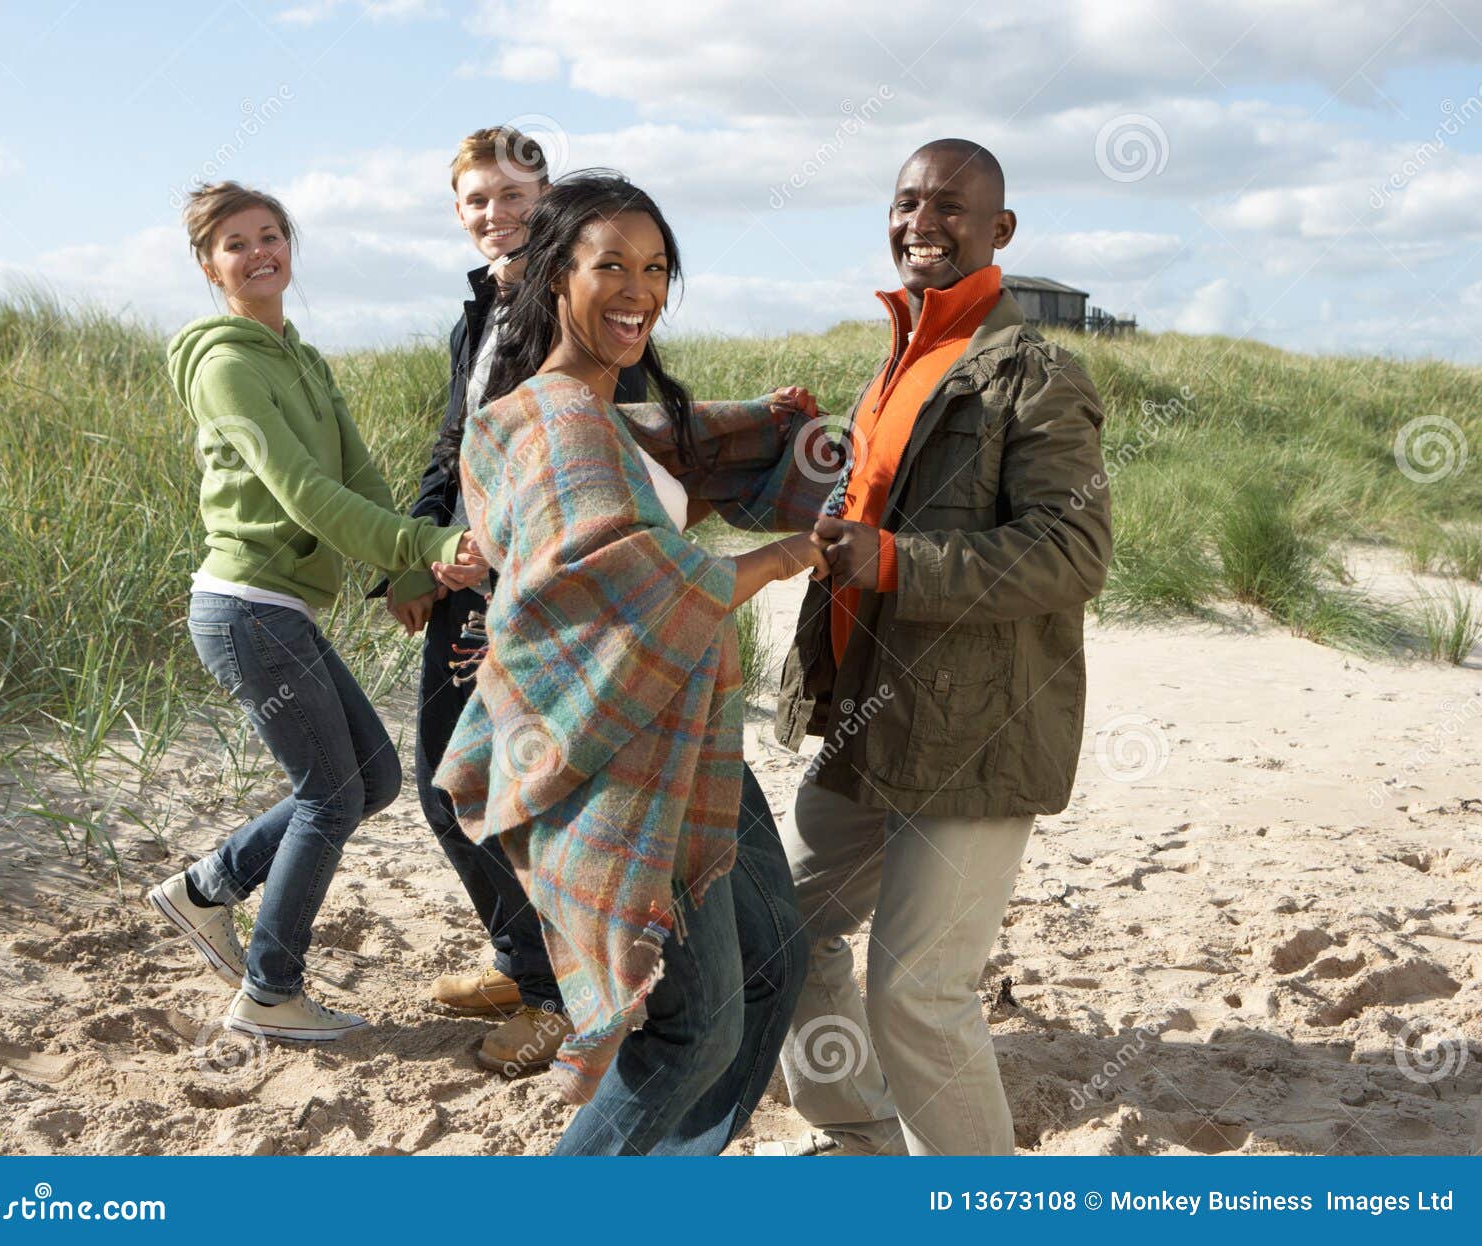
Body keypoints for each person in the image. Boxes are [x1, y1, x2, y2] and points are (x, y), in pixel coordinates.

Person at [434, 172, 834, 1154]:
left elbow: (669, 460)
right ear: (551, 278)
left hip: (692, 745)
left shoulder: (586, 414)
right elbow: (618, 567)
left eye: (655, 268)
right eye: (609, 263)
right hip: (630, 765)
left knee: (772, 960)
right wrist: (783, 556)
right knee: (694, 1027)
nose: (639, 288)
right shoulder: (564, 424)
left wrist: (780, 425)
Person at [768, 140, 1113, 1154]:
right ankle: (862, 1136)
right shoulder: (898, 357)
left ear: (999, 231)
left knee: (917, 992)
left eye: (952, 207)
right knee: (781, 929)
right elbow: (876, 508)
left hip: (971, 738)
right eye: (908, 201)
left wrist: (894, 563)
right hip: (871, 718)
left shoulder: (1036, 370)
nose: (924, 220)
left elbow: (1071, 550)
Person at [149, 181, 470, 1042]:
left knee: (372, 779)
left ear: (289, 245)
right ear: (208, 264)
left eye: (269, 235)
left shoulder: (304, 357)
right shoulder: (224, 366)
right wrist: (434, 549)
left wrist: (409, 561)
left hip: (278, 611)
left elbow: (356, 475)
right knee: (331, 794)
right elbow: (302, 494)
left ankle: (206, 889)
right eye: (234, 243)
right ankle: (268, 994)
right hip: (245, 608)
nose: (258, 253)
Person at [368, 127, 648, 1075]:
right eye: (479, 199)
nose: (499, 214)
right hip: (459, 581)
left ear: (552, 205)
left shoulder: (579, 307)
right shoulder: (475, 311)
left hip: (535, 590)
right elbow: (456, 443)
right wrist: (416, 552)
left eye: (518, 197)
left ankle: (553, 993)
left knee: (483, 794)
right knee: (450, 787)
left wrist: (494, 545)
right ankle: (524, 960)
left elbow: (595, 448)